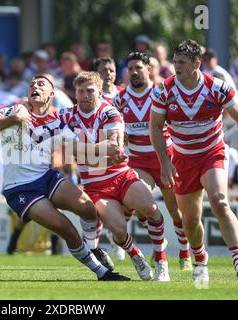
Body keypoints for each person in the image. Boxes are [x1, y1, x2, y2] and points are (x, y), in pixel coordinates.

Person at [0, 73, 127, 281]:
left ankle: (94, 248)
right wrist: (12, 119)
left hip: (47, 177)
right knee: (66, 228)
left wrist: (110, 159)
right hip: (20, 188)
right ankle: (101, 272)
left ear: (51, 94)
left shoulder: (58, 120)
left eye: (41, 84)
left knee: (88, 208)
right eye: (31, 84)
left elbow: (82, 153)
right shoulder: (15, 109)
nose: (34, 87)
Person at [149, 39, 238, 283]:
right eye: (174, 61)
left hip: (212, 153)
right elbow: (155, 128)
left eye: (181, 62)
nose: (175, 66)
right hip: (182, 160)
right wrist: (164, 161)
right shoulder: (163, 91)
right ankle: (200, 257)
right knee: (189, 221)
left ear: (196, 64)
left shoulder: (217, 87)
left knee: (220, 201)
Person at [60, 71, 170, 281]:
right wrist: (93, 152)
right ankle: (135, 255)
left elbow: (114, 146)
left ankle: (161, 260)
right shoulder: (66, 115)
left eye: (90, 91)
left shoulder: (109, 112)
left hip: (121, 176)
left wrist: (77, 149)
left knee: (152, 210)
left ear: (100, 91)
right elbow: (67, 150)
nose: (84, 95)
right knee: (119, 232)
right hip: (95, 186)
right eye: (80, 91)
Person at [114, 52, 192, 271]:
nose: (135, 72)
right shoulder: (120, 99)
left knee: (175, 210)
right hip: (138, 161)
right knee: (138, 203)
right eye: (131, 69)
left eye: (139, 67)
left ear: (149, 69)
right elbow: (114, 127)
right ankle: (160, 243)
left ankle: (184, 251)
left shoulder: (161, 92)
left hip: (164, 160)